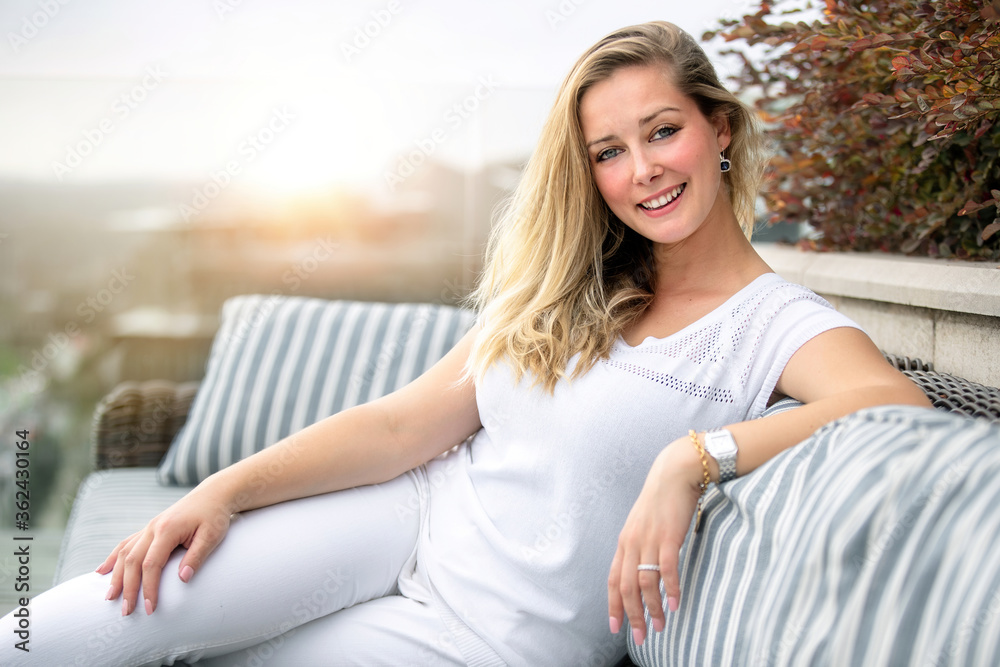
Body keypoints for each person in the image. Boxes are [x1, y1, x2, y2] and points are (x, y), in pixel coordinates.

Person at [1, 20, 930, 666]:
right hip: (401, 517)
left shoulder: (770, 318)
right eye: (608, 150)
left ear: (718, 128)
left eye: (663, 132)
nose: (641, 170)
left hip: (492, 636)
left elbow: (898, 405)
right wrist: (220, 489)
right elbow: (406, 425)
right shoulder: (581, 279)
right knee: (100, 617)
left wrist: (695, 456)